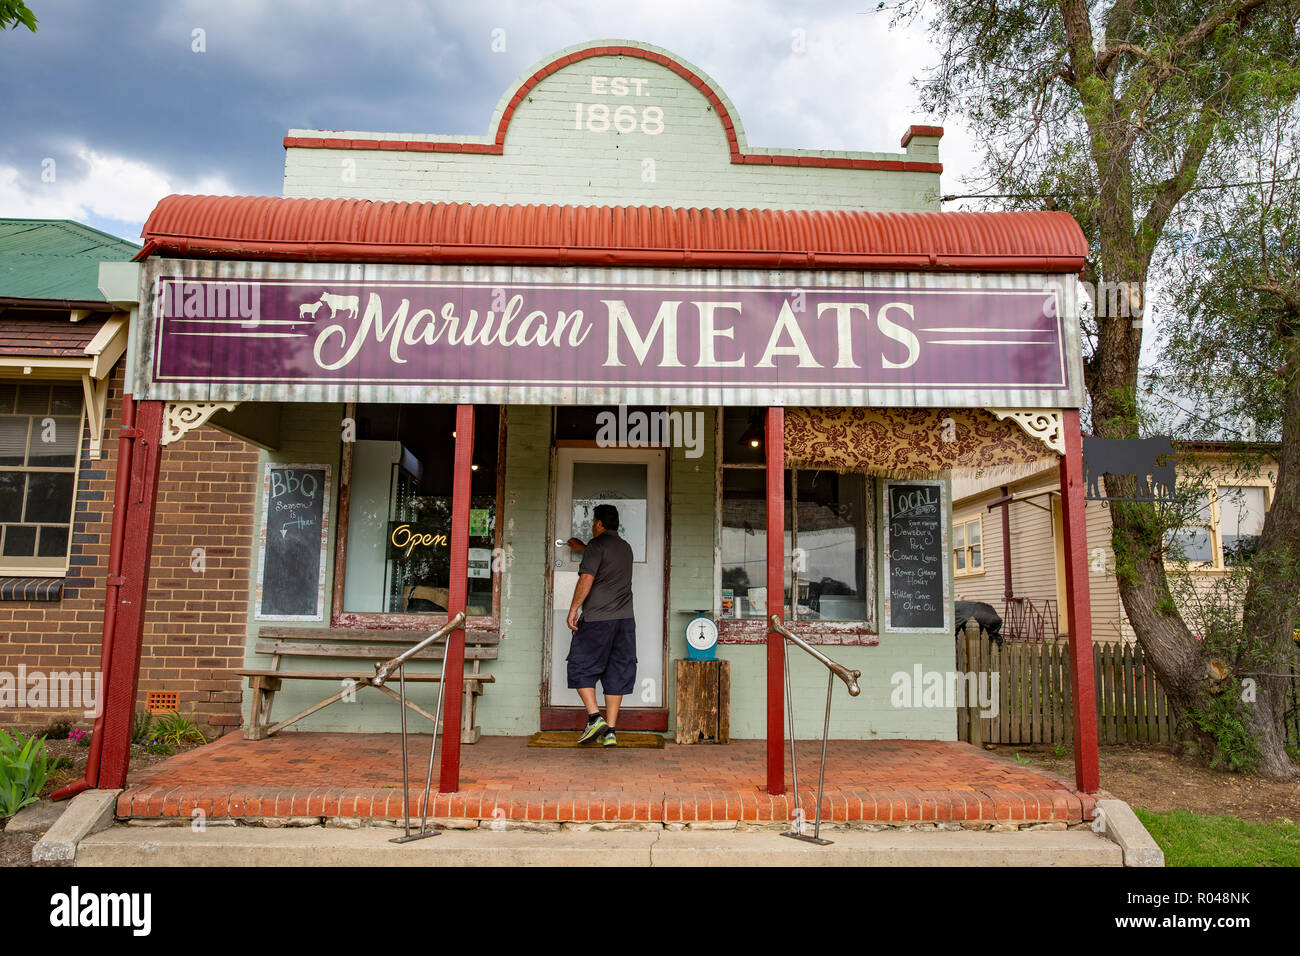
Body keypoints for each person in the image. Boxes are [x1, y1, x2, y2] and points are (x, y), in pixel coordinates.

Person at [565, 503, 635, 747]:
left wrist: (573, 609)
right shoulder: (625, 548)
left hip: (597, 619)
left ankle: (595, 717)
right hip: (625, 621)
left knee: (580, 664)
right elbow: (607, 561)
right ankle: (611, 731)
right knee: (617, 669)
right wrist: (583, 548)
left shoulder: (596, 546)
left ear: (598, 524)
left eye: (593, 521)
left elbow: (587, 577)